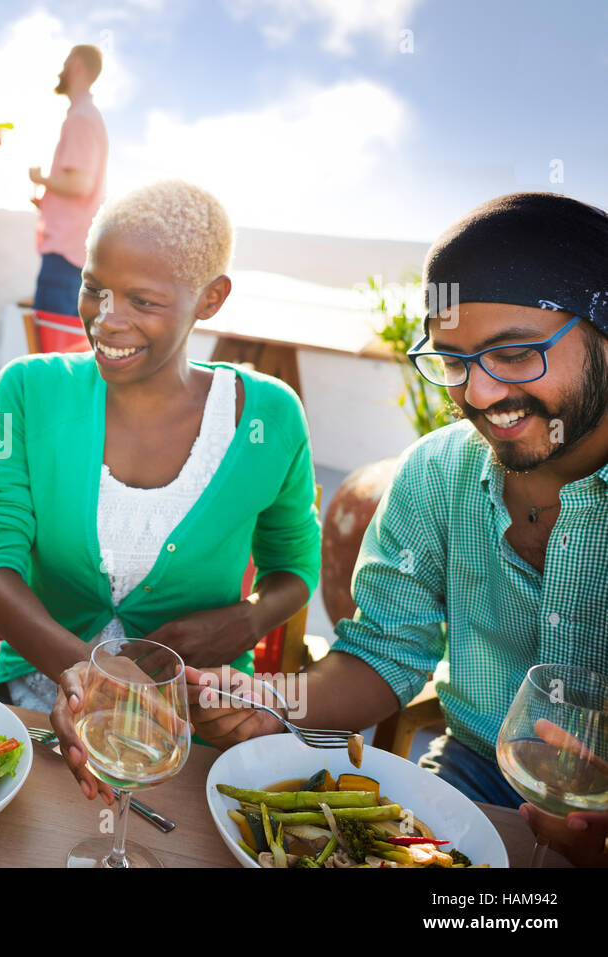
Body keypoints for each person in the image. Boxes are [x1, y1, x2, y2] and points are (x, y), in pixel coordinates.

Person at [172, 192, 608, 866]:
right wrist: (275, 702)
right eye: (455, 362)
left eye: (515, 355)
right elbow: (381, 655)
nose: (481, 395)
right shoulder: (436, 474)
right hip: (473, 774)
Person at [0, 180, 320, 733]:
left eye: (143, 301)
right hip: (42, 706)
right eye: (94, 288)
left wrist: (246, 619)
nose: (107, 320)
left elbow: (294, 569)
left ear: (211, 298)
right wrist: (91, 677)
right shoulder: (28, 391)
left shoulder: (269, 418)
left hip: (196, 718)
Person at [29, 44, 108, 328]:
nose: (61, 70)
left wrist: (40, 180)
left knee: (52, 345)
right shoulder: (87, 115)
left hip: (65, 253)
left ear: (76, 65)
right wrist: (48, 200)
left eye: (65, 63)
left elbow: (79, 184)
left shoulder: (81, 118)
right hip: (73, 250)